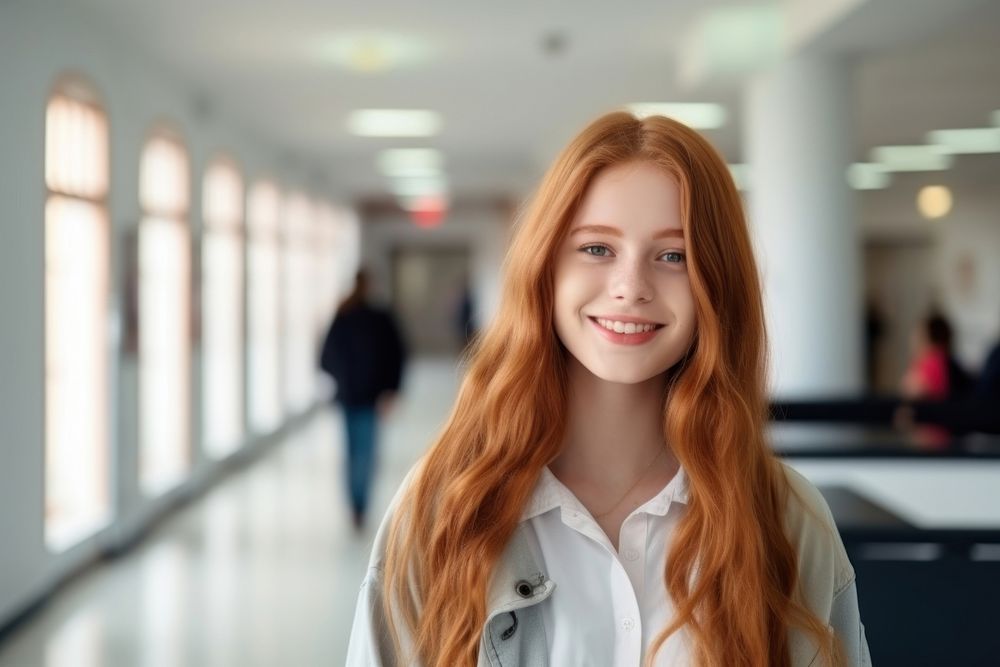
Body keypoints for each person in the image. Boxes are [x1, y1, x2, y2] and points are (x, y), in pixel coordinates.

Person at [347, 113, 870, 665]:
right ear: (545, 266)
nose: (630, 288)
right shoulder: (442, 508)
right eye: (597, 248)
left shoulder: (785, 518)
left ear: (716, 283)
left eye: (674, 256)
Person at [320, 269, 406, 531]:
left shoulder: (342, 316)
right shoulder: (380, 318)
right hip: (370, 397)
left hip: (349, 396)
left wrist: (342, 379)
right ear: (369, 286)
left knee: (351, 452)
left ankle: (355, 506)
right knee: (366, 454)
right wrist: (390, 389)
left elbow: (324, 357)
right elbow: (398, 354)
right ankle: (361, 505)